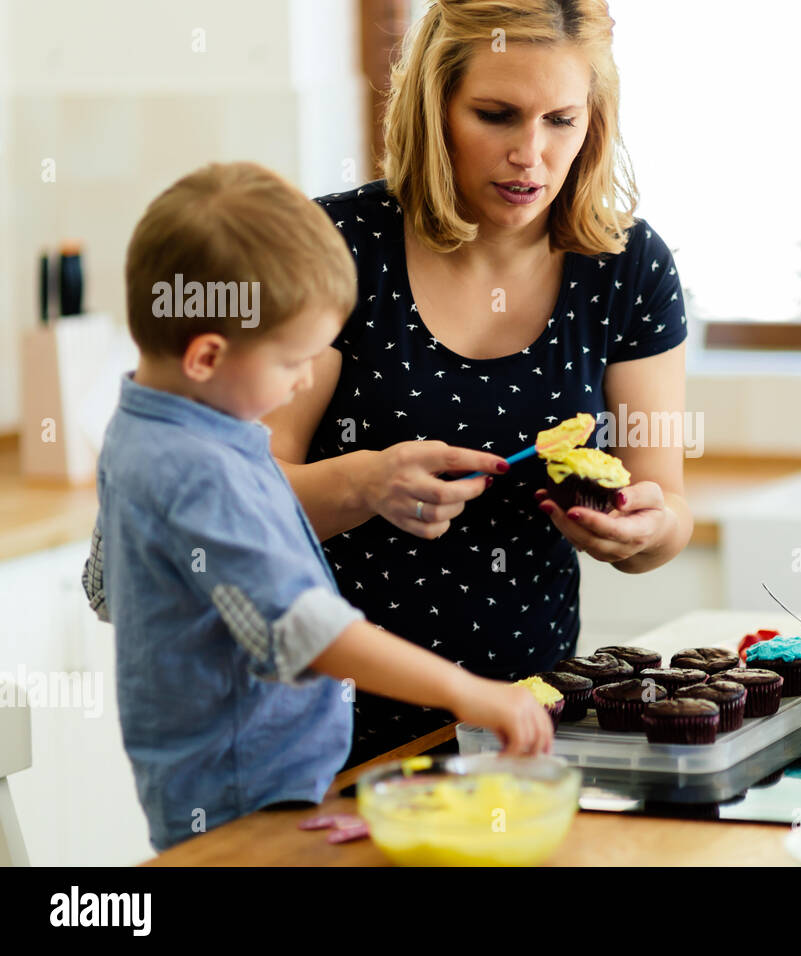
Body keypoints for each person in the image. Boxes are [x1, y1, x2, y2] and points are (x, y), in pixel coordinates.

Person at [265, 0, 694, 765]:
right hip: (321, 722)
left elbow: (667, 511)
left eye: (561, 120)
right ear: (435, 108)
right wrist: (367, 483)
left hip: (526, 725)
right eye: (496, 115)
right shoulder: (337, 249)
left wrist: (641, 532)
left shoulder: (628, 268)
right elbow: (247, 503)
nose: (530, 154)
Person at [82, 161, 553, 852]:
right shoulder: (197, 467)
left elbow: (106, 593)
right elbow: (307, 633)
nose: (309, 377)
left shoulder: (148, 426)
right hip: (246, 808)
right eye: (293, 359)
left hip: (252, 791)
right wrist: (471, 693)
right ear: (208, 355)